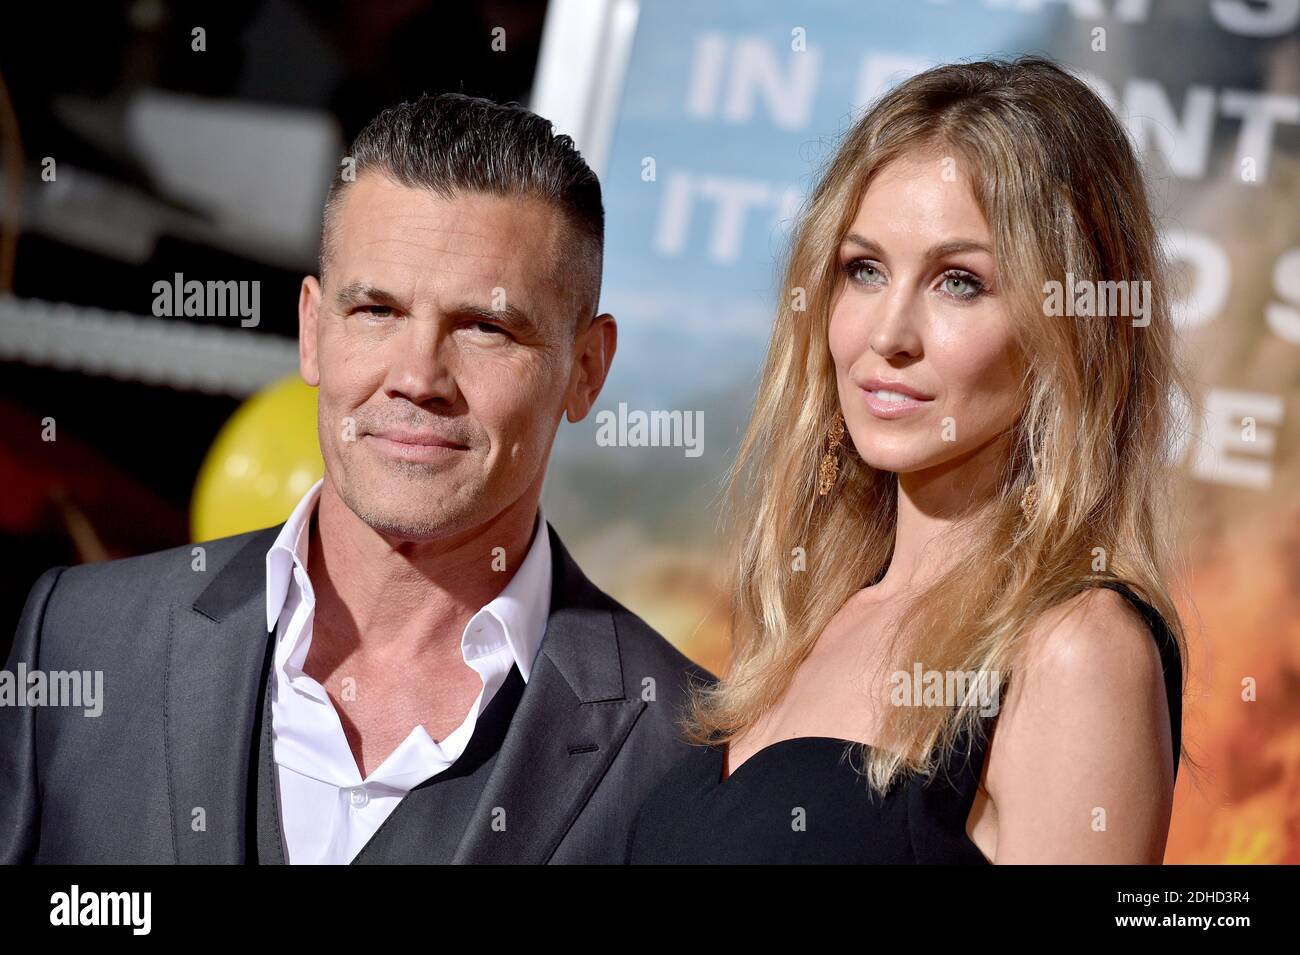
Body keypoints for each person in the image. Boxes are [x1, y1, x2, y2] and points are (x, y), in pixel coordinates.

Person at [1, 92, 712, 864]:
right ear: (312, 330)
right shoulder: (81, 641)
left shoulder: (685, 748)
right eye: (376, 309)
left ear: (585, 370)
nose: (417, 376)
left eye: (485, 327)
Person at [627, 56, 1190, 864]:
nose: (888, 335)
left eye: (959, 282)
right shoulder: (803, 618)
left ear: (1070, 328)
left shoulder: (1074, 650)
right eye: (865, 270)